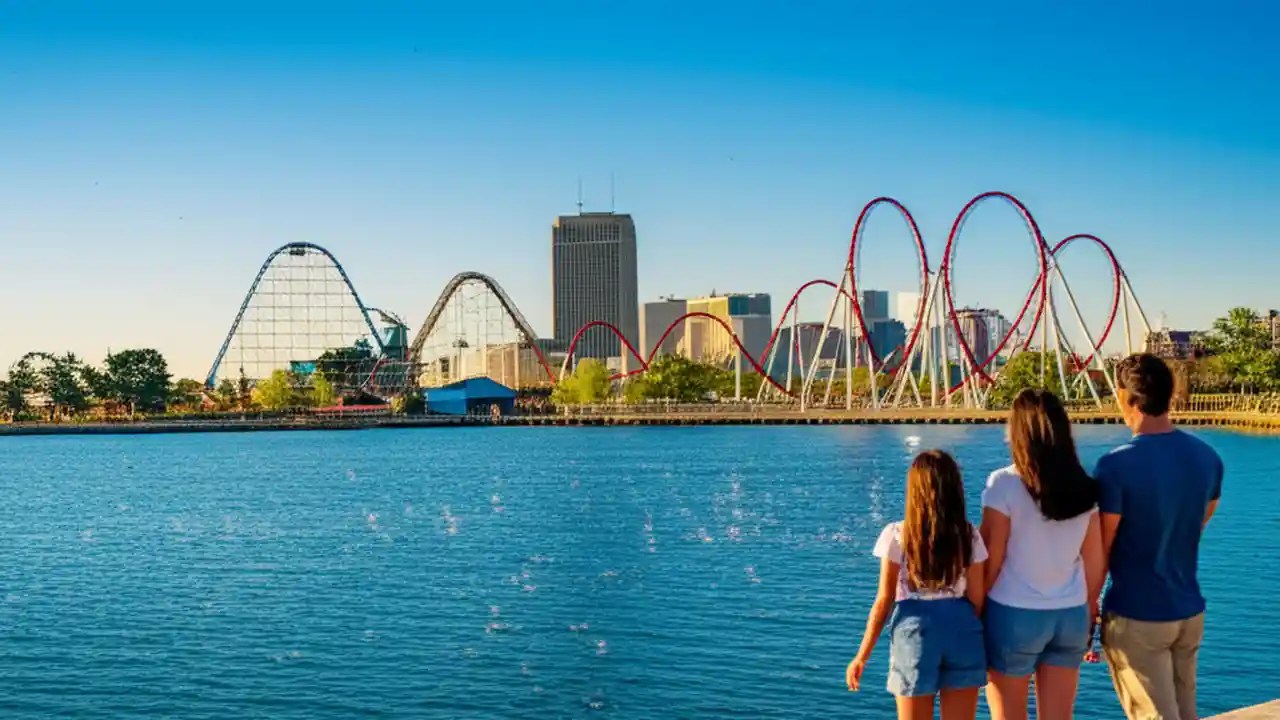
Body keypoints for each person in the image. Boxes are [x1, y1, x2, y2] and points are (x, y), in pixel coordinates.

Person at [1096, 353, 1223, 720]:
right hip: (1187, 610)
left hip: (1138, 613)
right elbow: (1197, 524)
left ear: (1128, 399)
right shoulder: (1207, 457)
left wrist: (1089, 607)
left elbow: (1103, 548)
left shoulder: (1115, 465)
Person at [979, 389, 1104, 720]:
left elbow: (991, 561)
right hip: (1071, 615)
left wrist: (973, 608)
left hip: (1014, 614)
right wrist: (1090, 611)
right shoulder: (1086, 488)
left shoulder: (1003, 485)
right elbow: (1095, 562)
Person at [846, 450, 988, 720]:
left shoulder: (896, 535)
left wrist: (861, 656)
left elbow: (884, 601)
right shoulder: (969, 535)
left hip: (914, 634)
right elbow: (978, 597)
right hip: (962, 629)